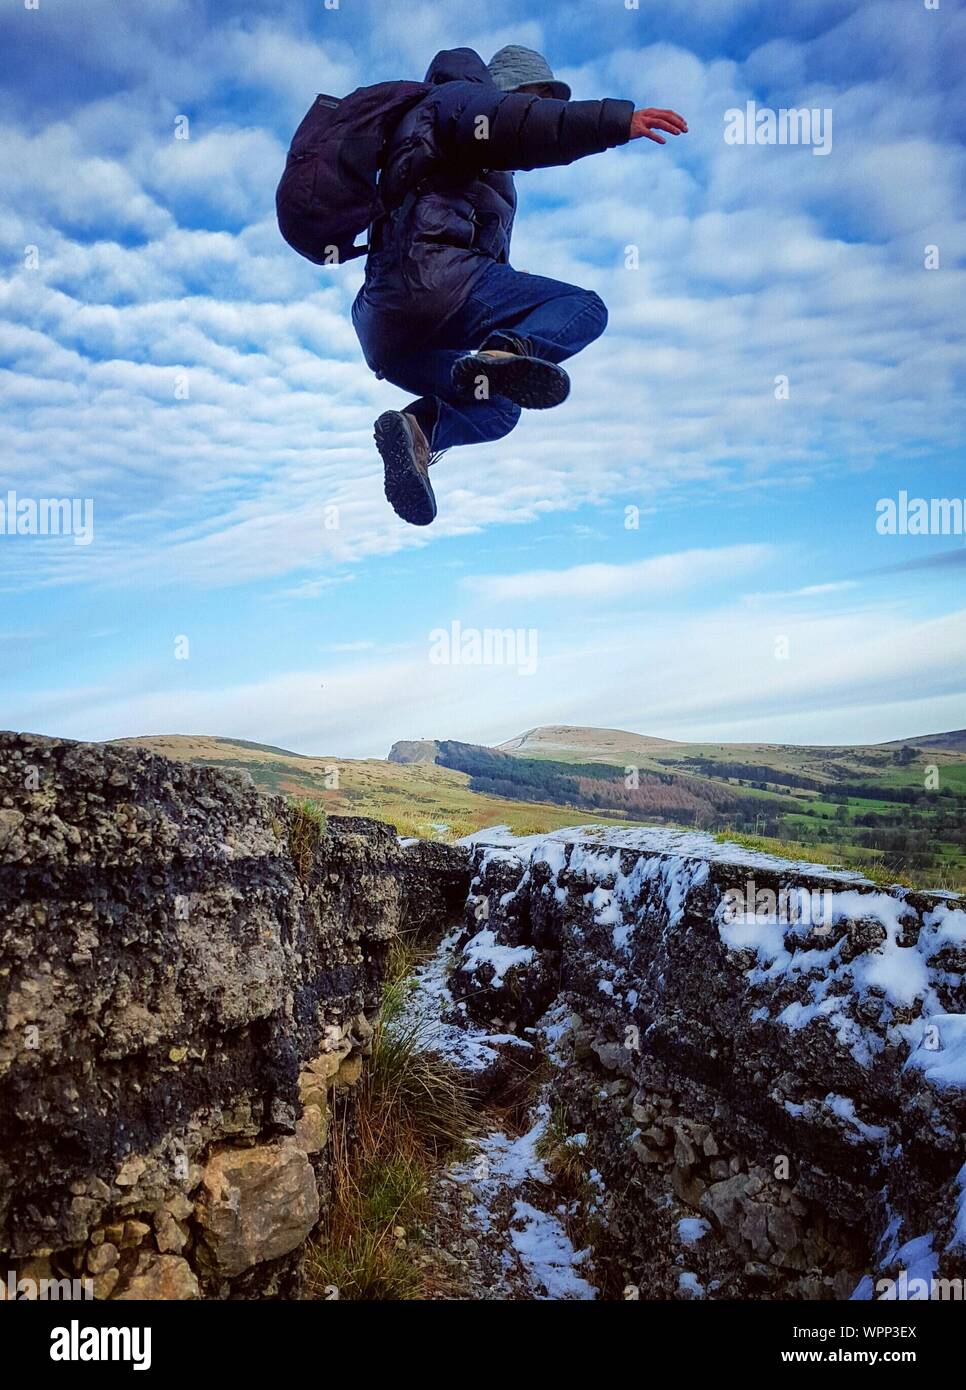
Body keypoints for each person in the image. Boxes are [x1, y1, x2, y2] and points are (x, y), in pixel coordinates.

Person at [351, 45, 687, 525]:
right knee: (584, 307)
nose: (539, 107)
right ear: (505, 90)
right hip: (434, 284)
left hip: (387, 334)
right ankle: (507, 349)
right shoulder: (460, 104)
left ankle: (416, 429)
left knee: (500, 408)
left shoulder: (419, 138)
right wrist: (617, 122)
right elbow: (527, 125)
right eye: (534, 98)